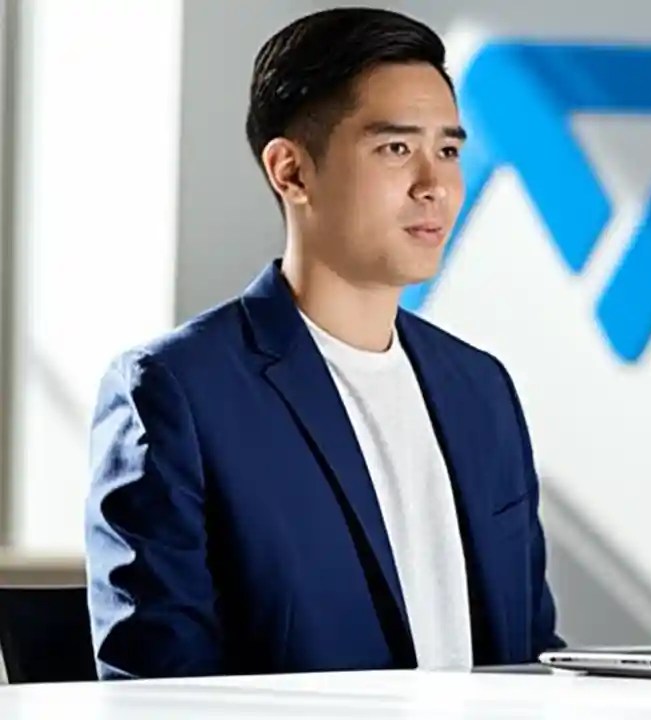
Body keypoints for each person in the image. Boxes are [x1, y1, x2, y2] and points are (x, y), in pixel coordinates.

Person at [84, 7, 562, 679]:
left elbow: (533, 655)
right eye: (396, 148)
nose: (436, 185)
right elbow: (159, 694)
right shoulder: (178, 392)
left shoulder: (480, 388)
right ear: (292, 172)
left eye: (448, 150)